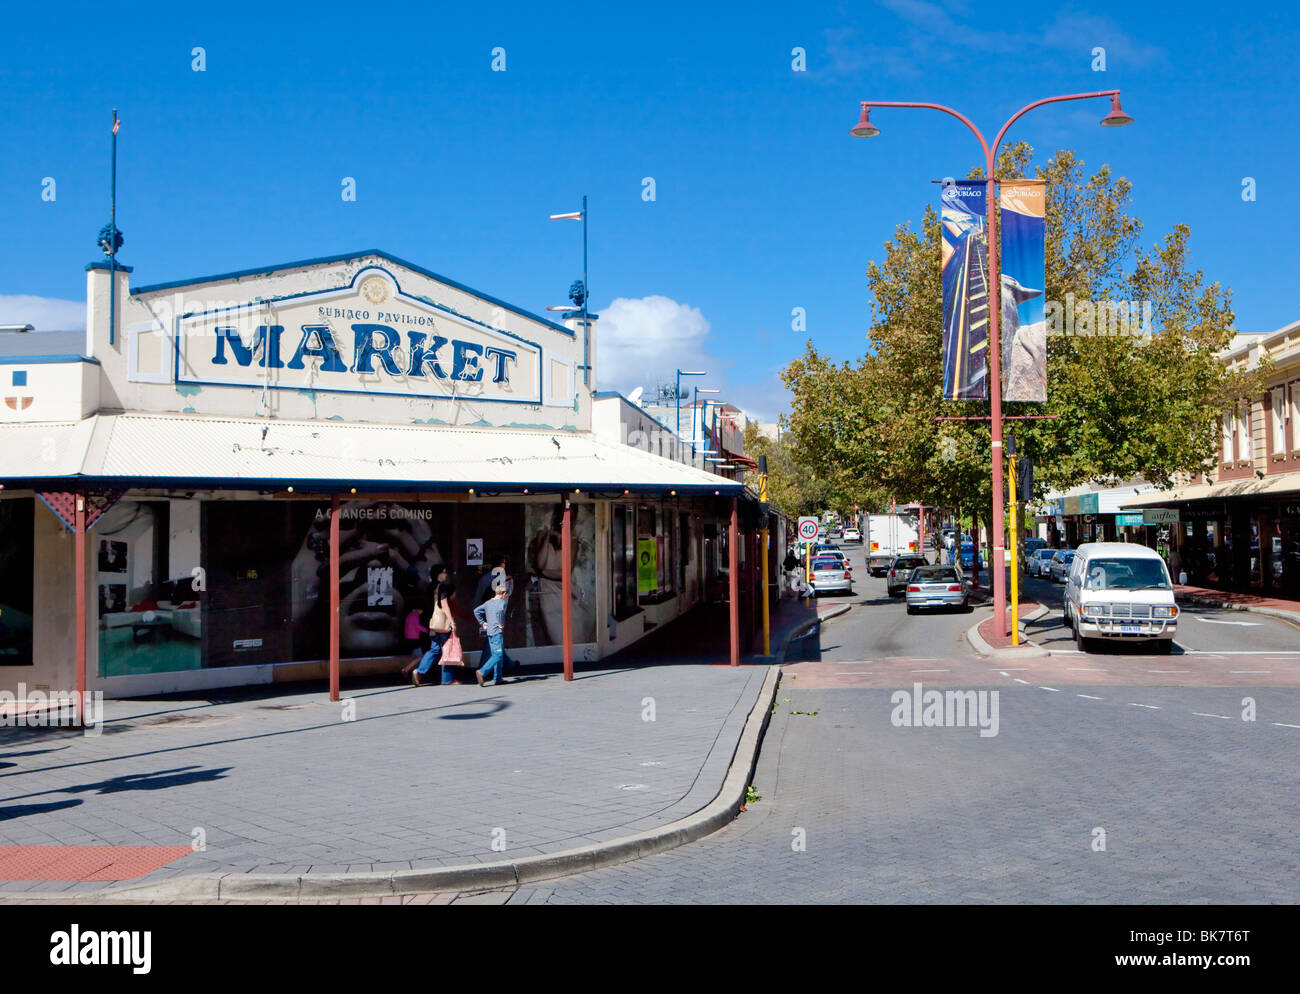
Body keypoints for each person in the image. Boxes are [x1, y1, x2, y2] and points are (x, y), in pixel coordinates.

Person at [412, 581, 458, 686]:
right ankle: (447, 679)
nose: (446, 575)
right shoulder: (442, 590)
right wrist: (451, 621)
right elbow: (445, 606)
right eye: (444, 572)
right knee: (447, 650)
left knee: (434, 649)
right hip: (442, 626)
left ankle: (419, 671)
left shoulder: (432, 590)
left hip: (434, 624)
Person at [474, 578, 511, 687]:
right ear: (504, 594)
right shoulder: (501, 603)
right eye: (506, 595)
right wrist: (500, 625)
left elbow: (476, 611)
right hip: (497, 632)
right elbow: (500, 613)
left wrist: (482, 622)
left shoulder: (488, 603)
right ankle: (482, 672)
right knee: (498, 655)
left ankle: (498, 678)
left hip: (489, 632)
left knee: (496, 654)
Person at [399, 606, 427, 680]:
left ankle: (416, 673)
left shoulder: (410, 615)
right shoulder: (415, 615)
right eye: (422, 610)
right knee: (419, 657)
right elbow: (417, 626)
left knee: (416, 657)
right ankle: (406, 670)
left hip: (409, 638)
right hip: (413, 639)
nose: (422, 612)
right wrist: (426, 630)